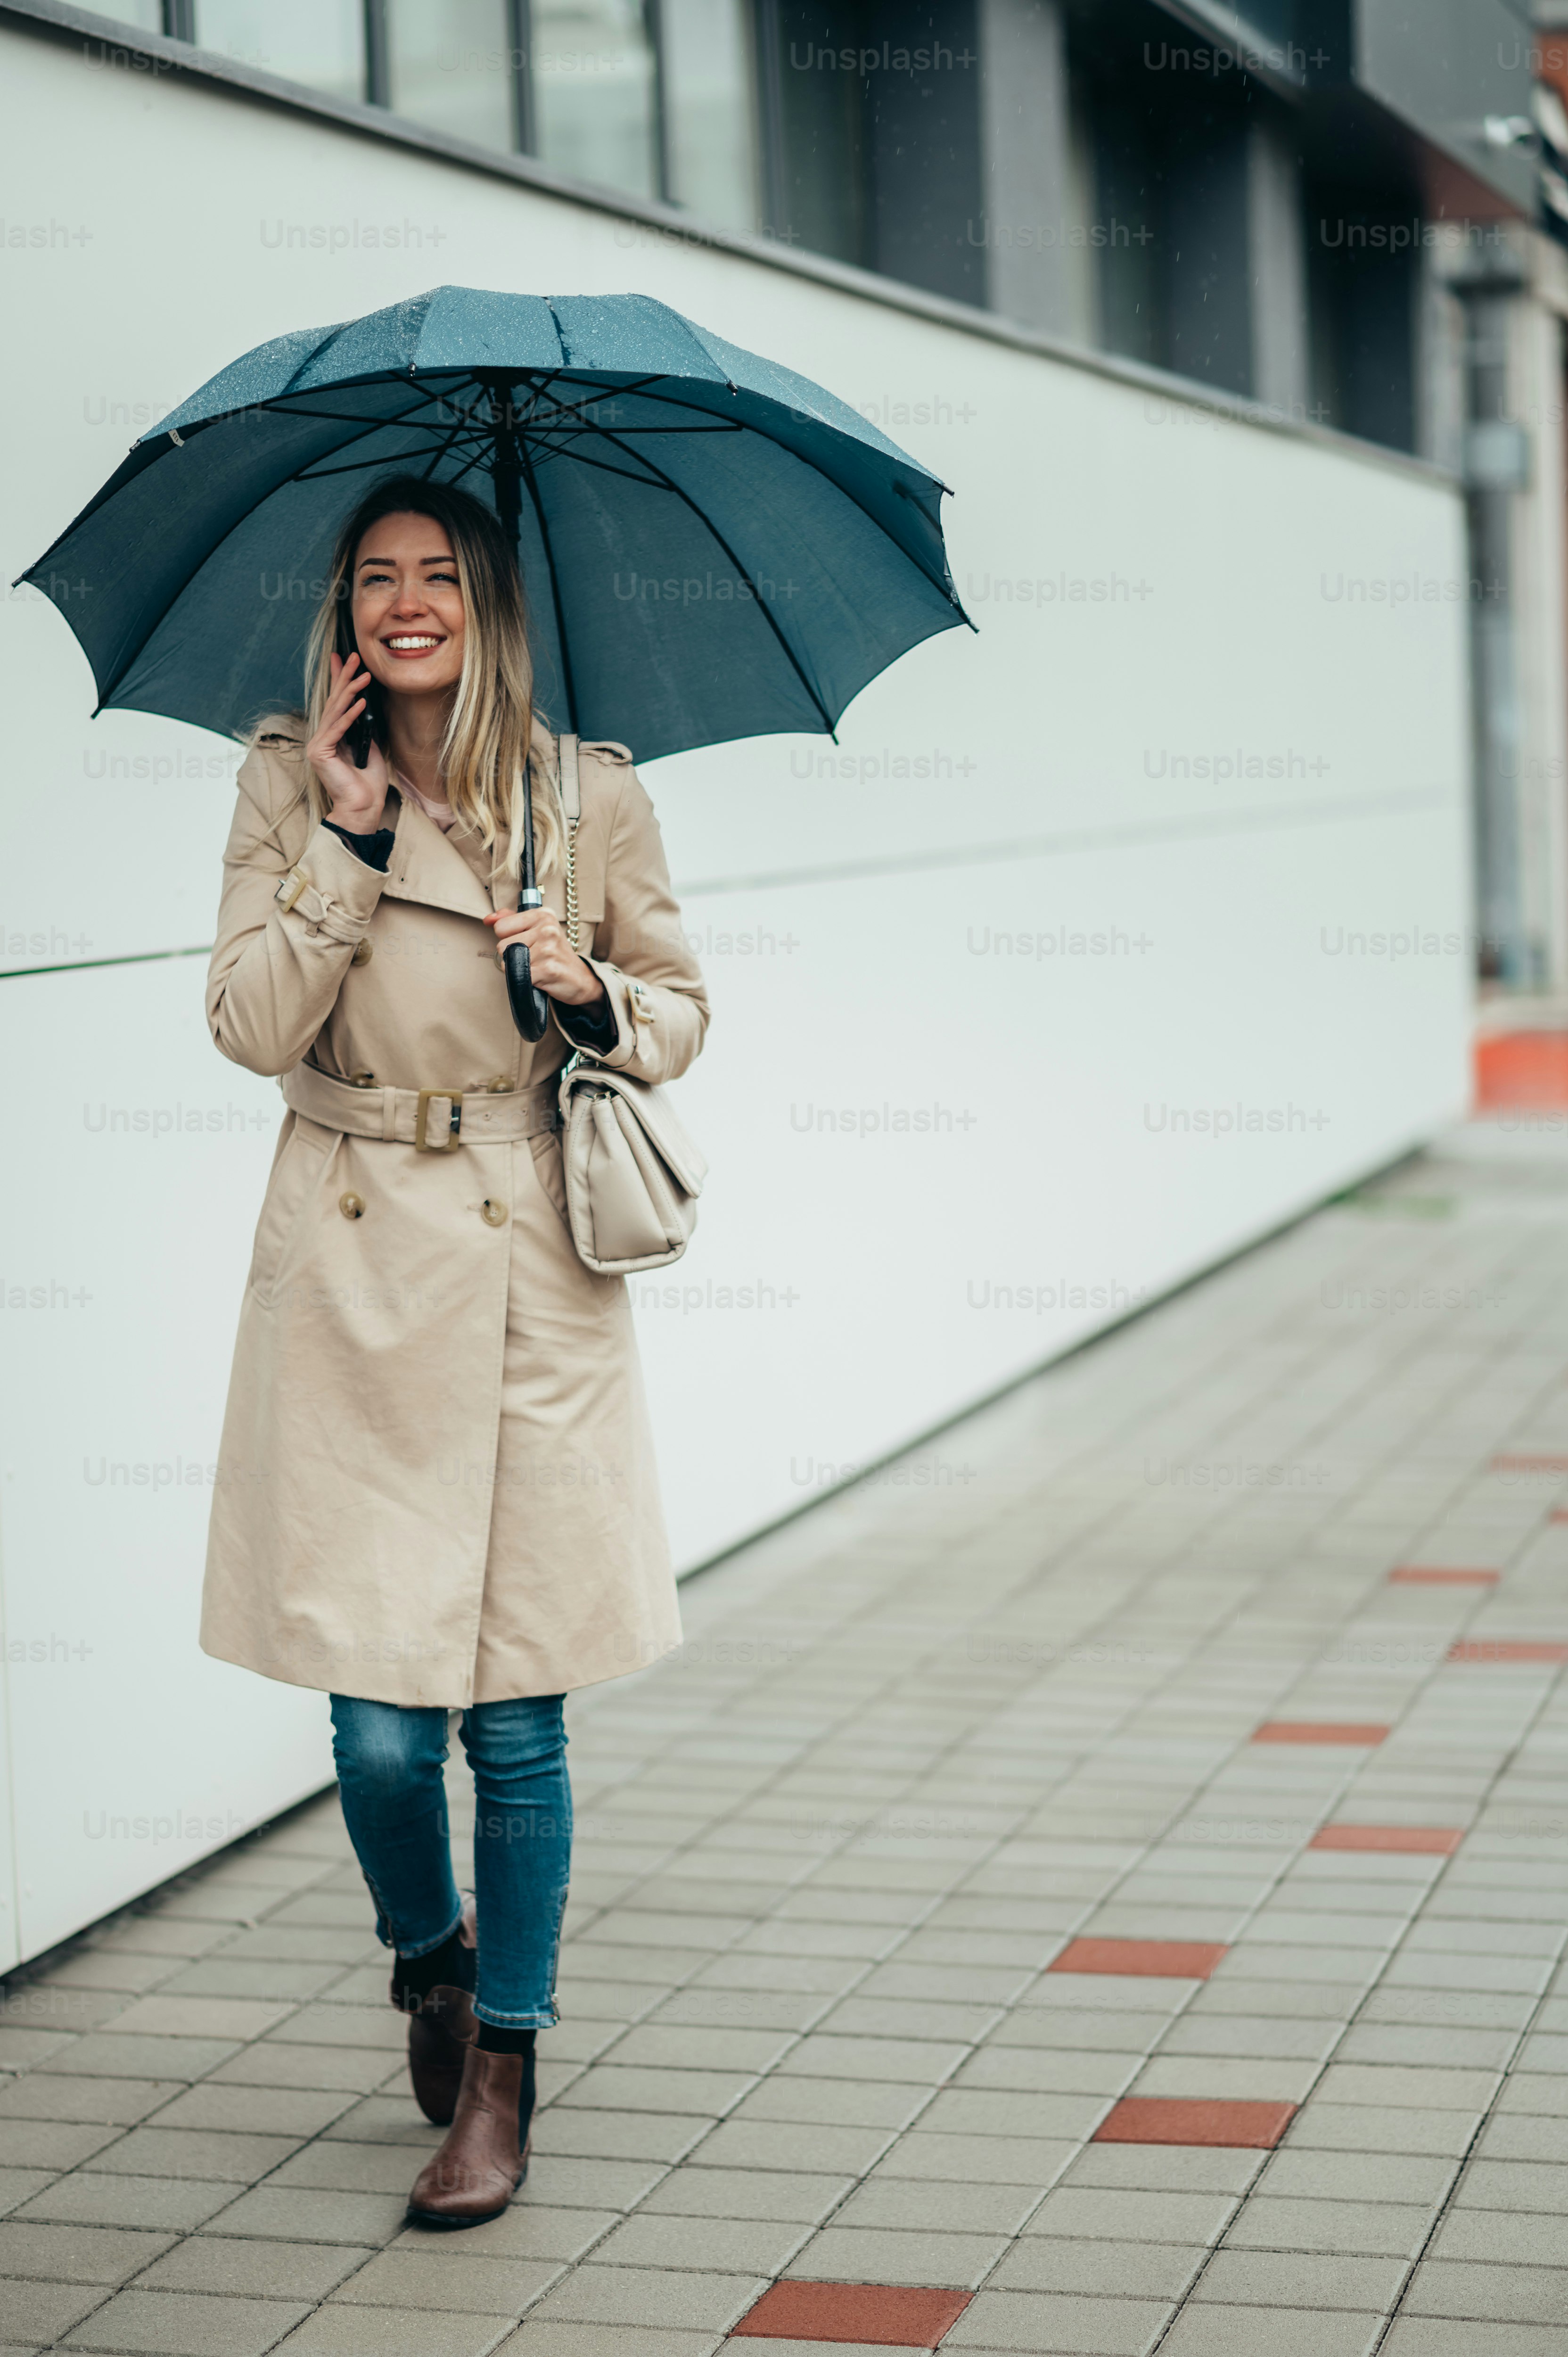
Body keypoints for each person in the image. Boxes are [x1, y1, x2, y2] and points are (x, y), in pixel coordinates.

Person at [198, 475, 708, 2226]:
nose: (407, 603)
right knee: (378, 1736)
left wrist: (582, 987)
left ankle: (504, 2065)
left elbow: (682, 1012)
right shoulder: (288, 775)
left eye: (439, 575)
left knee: (518, 1715)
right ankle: (427, 1945)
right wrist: (343, 844)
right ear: (346, 612)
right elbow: (246, 1022)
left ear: (488, 600)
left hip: (532, 1269)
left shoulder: (586, 791)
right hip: (347, 1251)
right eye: (376, 579)